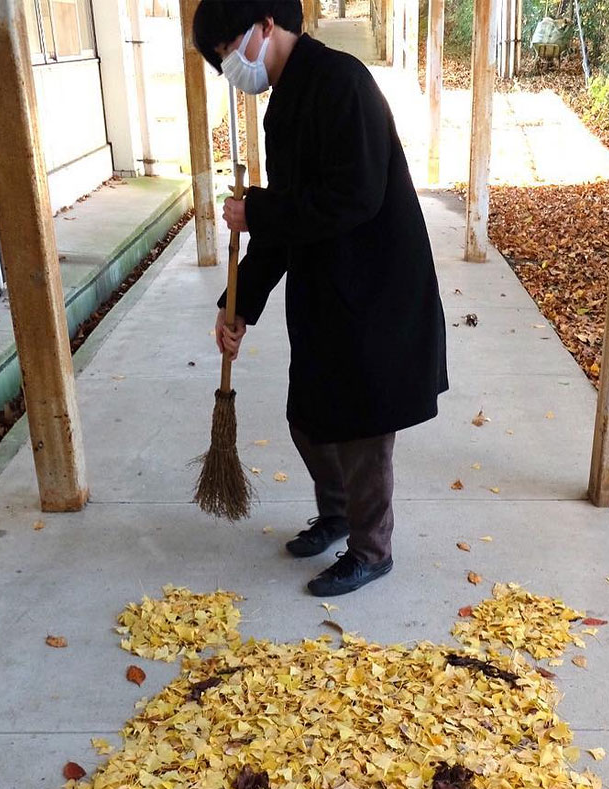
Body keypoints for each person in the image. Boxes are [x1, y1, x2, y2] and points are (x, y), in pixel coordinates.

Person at [192, 0, 448, 596]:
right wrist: (237, 307)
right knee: (308, 416)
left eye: (229, 50)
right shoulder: (284, 104)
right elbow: (285, 229)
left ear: (266, 25)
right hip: (328, 290)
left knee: (362, 429)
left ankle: (371, 549)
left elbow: (355, 195)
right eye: (220, 60)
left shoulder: (341, 83)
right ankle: (336, 517)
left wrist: (258, 209)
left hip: (375, 287)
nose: (230, 66)